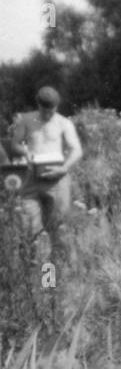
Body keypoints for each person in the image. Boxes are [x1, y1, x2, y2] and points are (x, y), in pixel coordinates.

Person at [13, 86, 82, 254]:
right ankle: (36, 272)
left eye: (51, 112)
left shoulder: (64, 123)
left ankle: (56, 274)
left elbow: (76, 150)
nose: (47, 116)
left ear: (56, 107)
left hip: (57, 181)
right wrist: (26, 153)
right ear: (38, 105)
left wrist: (64, 169)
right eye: (44, 111)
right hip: (32, 181)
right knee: (29, 230)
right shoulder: (26, 120)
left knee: (59, 229)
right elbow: (15, 144)